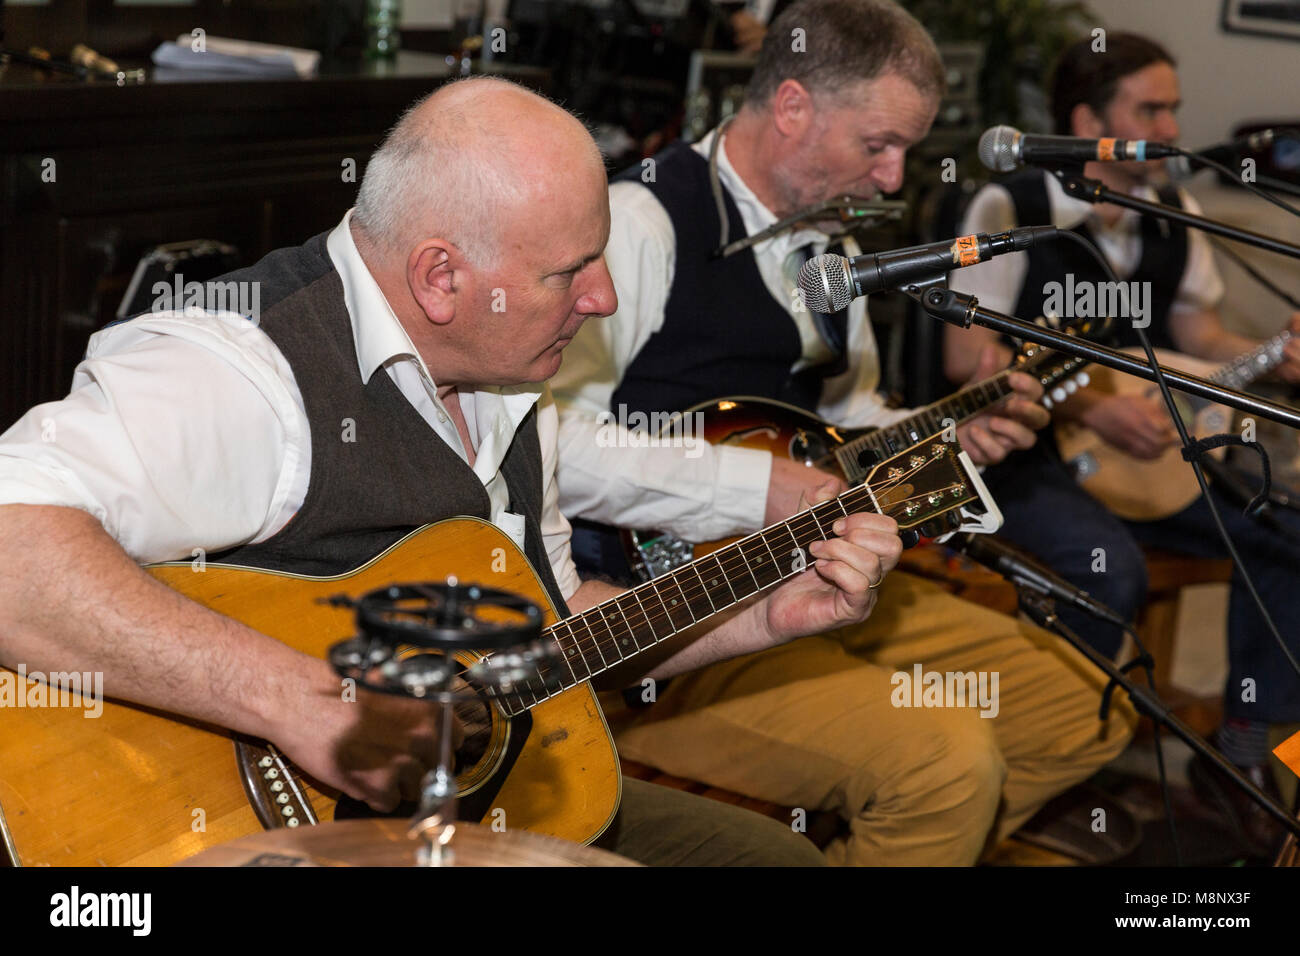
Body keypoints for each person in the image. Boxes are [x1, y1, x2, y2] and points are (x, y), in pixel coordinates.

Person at [0, 77, 913, 867]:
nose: (604, 299)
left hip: (464, 806)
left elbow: (553, 638)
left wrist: (759, 615)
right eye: (570, 271)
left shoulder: (513, 389)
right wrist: (300, 702)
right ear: (441, 277)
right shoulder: (248, 368)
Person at [551, 0, 1135, 866]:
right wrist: (758, 489)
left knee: (1093, 702)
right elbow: (544, 442)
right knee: (949, 765)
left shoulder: (827, 248)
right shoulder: (642, 223)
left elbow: (841, 425)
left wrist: (953, 432)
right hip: (659, 632)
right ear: (792, 107)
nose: (897, 179)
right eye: (879, 145)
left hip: (826, 574)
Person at [944, 31, 1300, 854]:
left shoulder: (1172, 213)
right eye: (1150, 110)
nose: (1170, 126)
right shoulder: (1011, 210)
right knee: (1109, 568)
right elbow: (969, 362)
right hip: (1024, 460)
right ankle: (1066, 769)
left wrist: (1274, 355)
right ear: (1086, 121)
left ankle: (1238, 757)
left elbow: (1198, 333)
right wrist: (1087, 408)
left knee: (1285, 532)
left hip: (1148, 470)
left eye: (1172, 107)